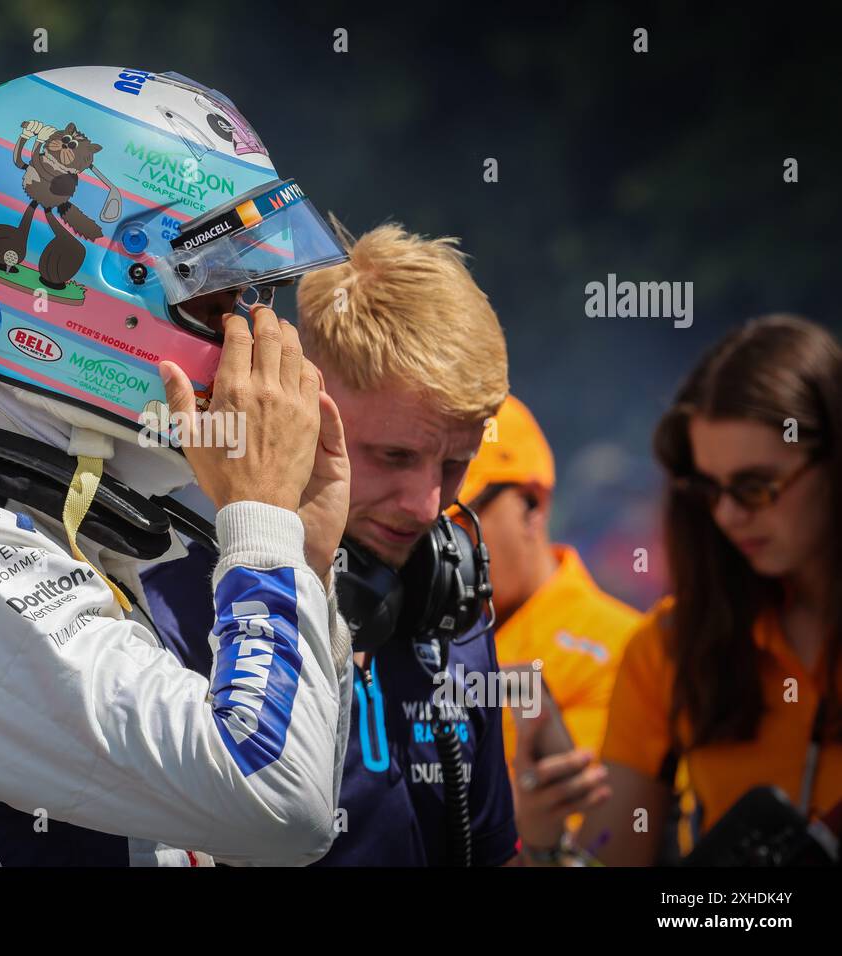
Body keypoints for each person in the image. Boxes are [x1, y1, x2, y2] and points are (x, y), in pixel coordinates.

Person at [0, 66, 356, 866]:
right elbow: (281, 807)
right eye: (219, 299)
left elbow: (306, 803)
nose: (254, 337)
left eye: (257, 300)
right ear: (100, 289)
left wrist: (305, 564)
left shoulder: (113, 531)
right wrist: (265, 534)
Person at [146, 221, 519, 865]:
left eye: (456, 464)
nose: (426, 505)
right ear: (304, 397)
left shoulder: (450, 611)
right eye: (394, 455)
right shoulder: (169, 603)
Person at [516, 314, 842, 865]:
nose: (728, 514)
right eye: (709, 489)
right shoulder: (669, 647)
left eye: (756, 486)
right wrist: (545, 838)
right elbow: (609, 858)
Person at [455, 395, 641, 777]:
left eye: (457, 522)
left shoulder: (626, 654)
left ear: (531, 505)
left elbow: (591, 814)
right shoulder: (399, 640)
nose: (441, 546)